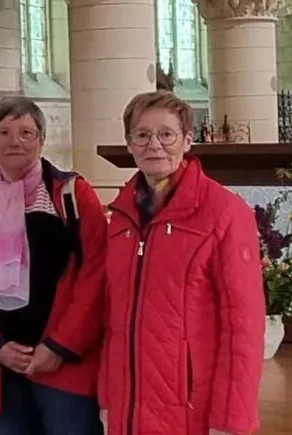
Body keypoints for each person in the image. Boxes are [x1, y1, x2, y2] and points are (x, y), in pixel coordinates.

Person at [0, 96, 106, 435]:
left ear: (42, 140)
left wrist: (60, 346)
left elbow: (97, 274)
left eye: (26, 133)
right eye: (4, 132)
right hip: (0, 365)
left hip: (63, 363)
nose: (15, 141)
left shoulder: (72, 195)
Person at [100, 91, 265, 435]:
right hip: (127, 409)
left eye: (167, 134)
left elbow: (244, 326)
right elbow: (112, 321)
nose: (154, 145)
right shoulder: (121, 217)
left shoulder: (223, 212)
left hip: (193, 410)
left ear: (188, 141)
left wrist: (231, 421)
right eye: (142, 135)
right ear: (129, 144)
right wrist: (107, 399)